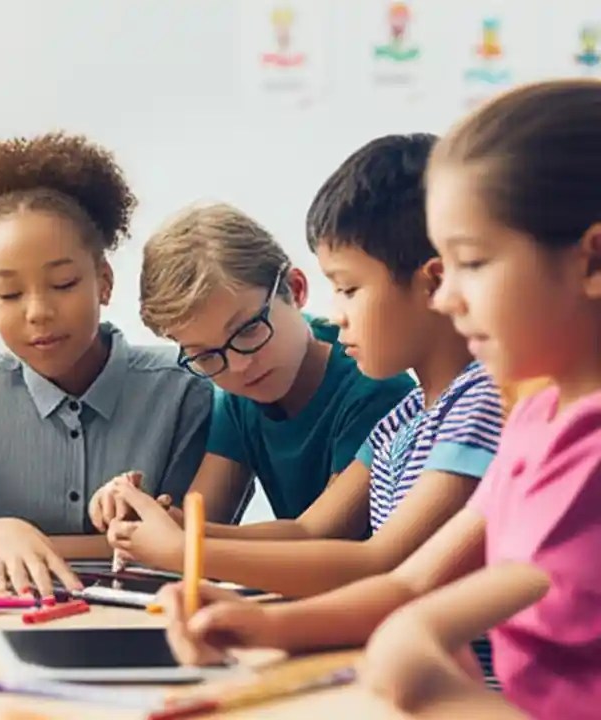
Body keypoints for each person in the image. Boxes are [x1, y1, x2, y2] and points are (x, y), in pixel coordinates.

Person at [160, 79, 601, 720]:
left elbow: (410, 599)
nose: (446, 297)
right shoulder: (535, 422)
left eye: (473, 264)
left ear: (591, 263)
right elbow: (410, 584)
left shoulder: (573, 444)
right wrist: (265, 625)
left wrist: (428, 678)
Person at [97, 135, 504, 604]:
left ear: (433, 282)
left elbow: (381, 564)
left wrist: (186, 550)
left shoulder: (478, 403)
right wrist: (169, 527)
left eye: (348, 289)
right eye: (207, 355)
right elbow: (310, 530)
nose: (336, 315)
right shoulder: (406, 418)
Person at [0, 132, 211, 597]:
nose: (38, 311)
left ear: (104, 281)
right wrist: (1, 533)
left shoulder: (183, 389)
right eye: (9, 294)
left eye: (62, 284)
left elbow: (181, 542)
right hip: (11, 617)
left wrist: (29, 544)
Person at [106, 203, 416, 527]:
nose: (239, 365)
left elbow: (323, 534)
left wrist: (177, 539)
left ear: (295, 288)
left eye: (248, 329)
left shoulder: (374, 384)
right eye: (206, 356)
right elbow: (205, 517)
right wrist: (139, 513)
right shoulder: (238, 396)